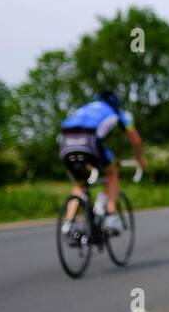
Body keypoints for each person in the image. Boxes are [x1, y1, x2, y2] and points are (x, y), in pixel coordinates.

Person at [58, 90, 145, 236]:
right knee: (112, 171)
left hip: (65, 143)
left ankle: (68, 224)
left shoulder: (83, 108)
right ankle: (111, 215)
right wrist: (139, 160)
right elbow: (136, 140)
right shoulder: (115, 111)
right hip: (89, 142)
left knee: (79, 184)